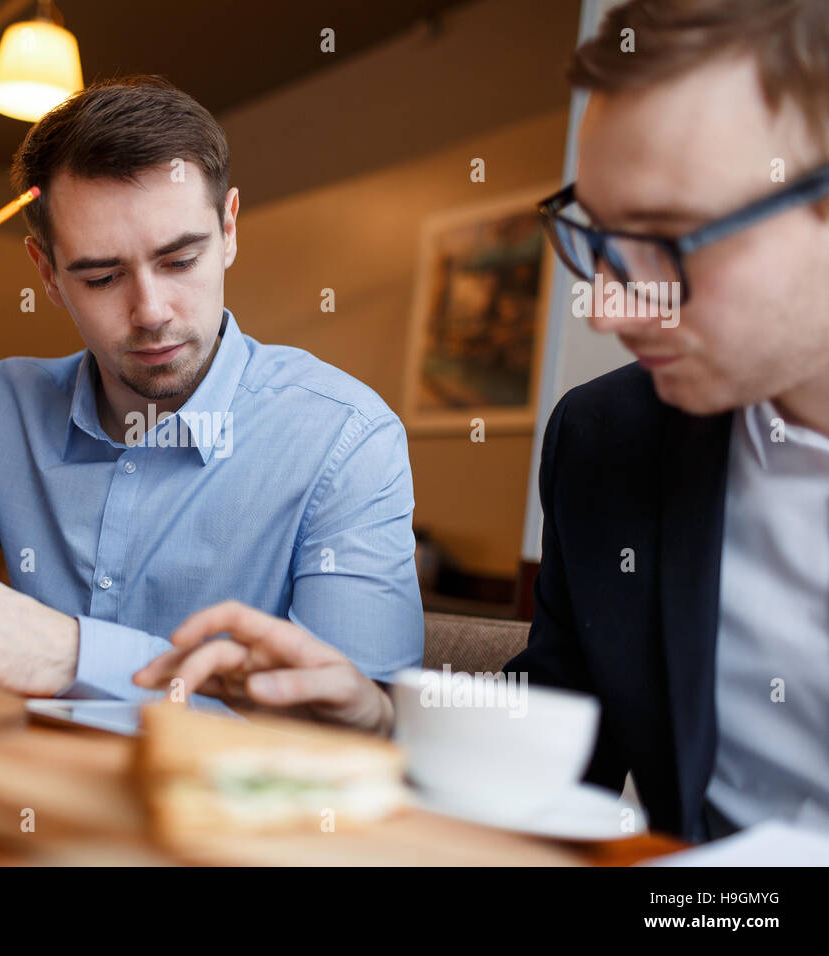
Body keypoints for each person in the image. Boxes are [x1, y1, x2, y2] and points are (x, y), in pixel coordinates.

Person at [136, 0, 829, 841]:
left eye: (670, 240)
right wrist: (377, 713)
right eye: (599, 239)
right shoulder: (610, 437)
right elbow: (568, 736)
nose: (607, 304)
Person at [0, 76, 423, 701]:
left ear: (229, 228)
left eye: (180, 260)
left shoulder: (345, 439)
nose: (152, 309)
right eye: (101, 277)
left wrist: (80, 657)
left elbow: (356, 721)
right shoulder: (7, 411)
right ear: (47, 273)